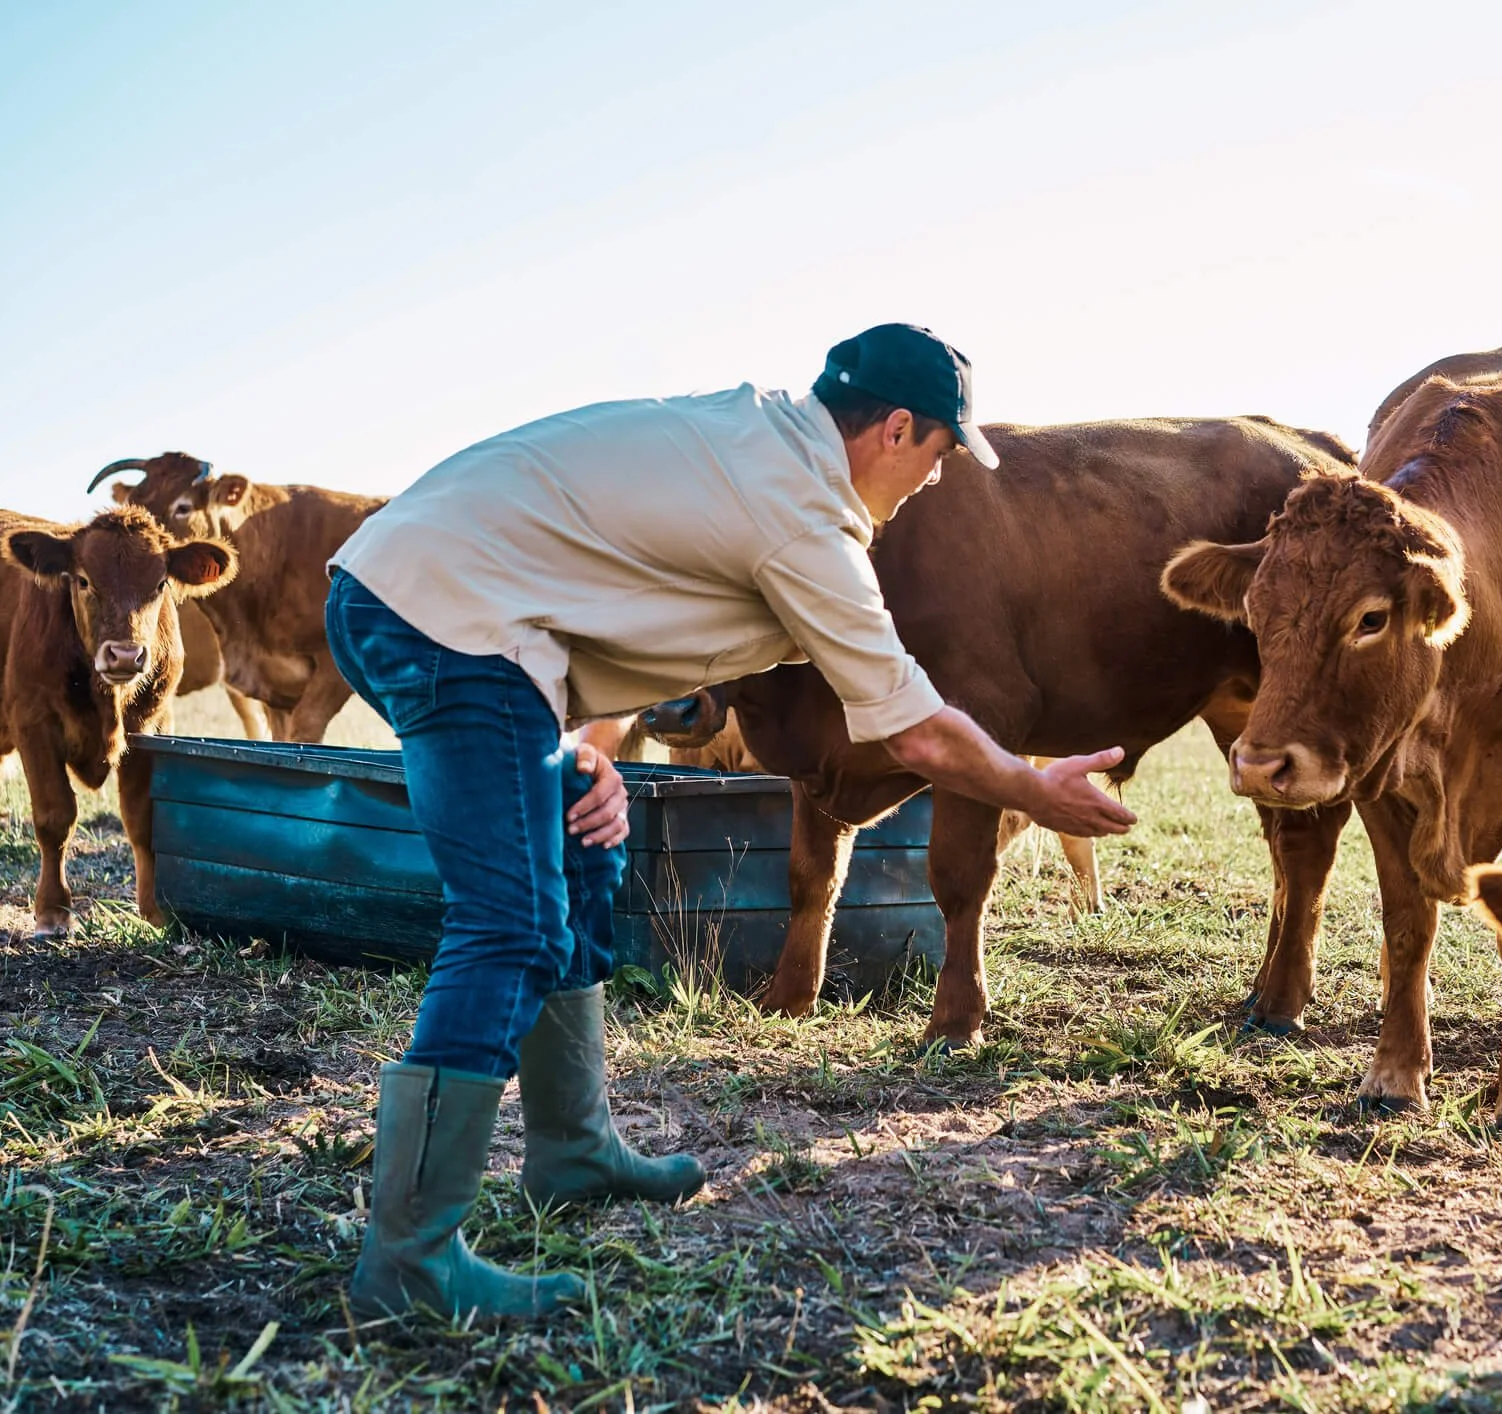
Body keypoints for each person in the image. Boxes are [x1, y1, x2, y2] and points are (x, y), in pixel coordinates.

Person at [324, 323, 1136, 1322]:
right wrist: (1028, 784)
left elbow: (608, 568)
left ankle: (569, 1151)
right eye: (937, 452)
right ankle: (405, 1260)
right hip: (442, 618)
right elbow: (919, 734)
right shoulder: (800, 514)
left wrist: (583, 739)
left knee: (583, 848)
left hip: (463, 612)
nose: (934, 480)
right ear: (893, 428)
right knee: (508, 922)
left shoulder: (757, 439)